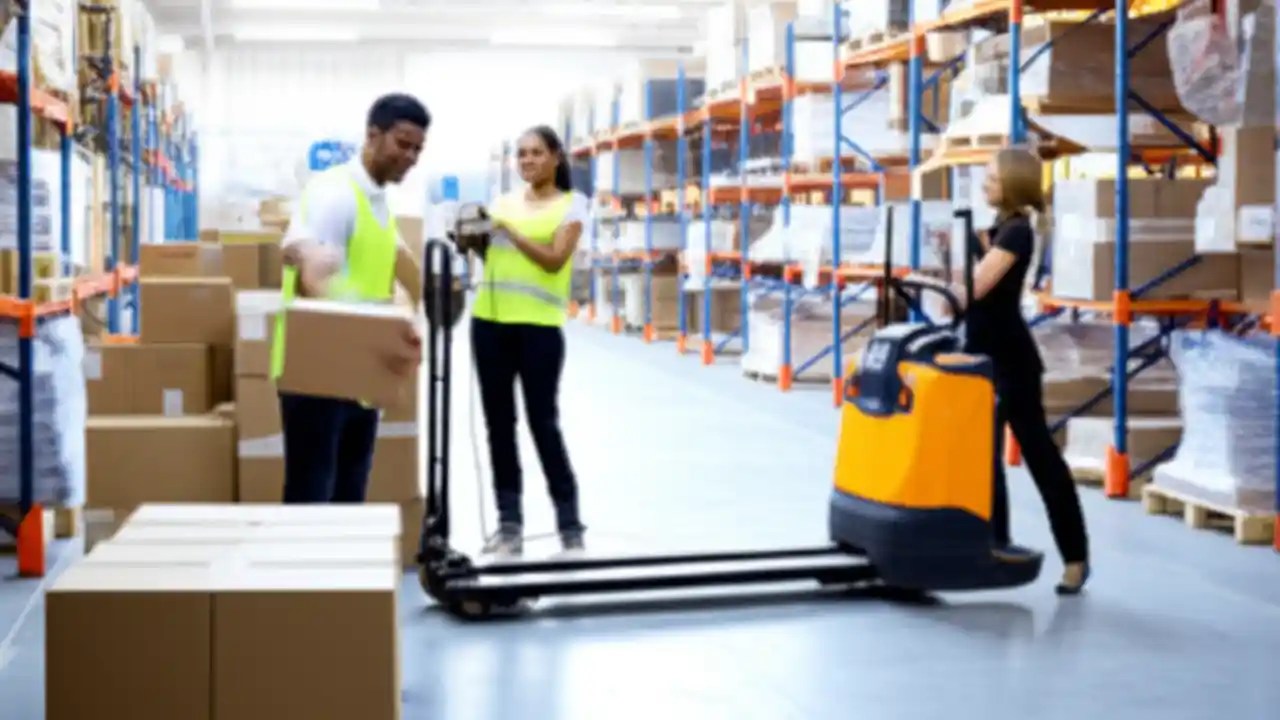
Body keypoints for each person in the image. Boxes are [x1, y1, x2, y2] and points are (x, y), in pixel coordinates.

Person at [944, 147, 1091, 595]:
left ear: (1012, 182)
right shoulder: (1000, 230)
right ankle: (994, 543)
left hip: (1010, 363)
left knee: (1039, 457)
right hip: (984, 358)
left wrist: (958, 255)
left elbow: (970, 290)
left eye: (991, 177)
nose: (985, 183)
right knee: (981, 455)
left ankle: (1074, 557)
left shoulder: (1017, 233)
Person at [273, 93, 430, 504]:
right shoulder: (335, 193)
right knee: (314, 502)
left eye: (418, 148)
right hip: (319, 374)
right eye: (402, 143)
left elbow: (397, 265)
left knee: (349, 499)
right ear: (372, 136)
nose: (411, 156)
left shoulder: (377, 202)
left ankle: (342, 571)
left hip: (356, 372)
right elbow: (312, 277)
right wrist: (309, 261)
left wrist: (415, 313)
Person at [471, 125, 589, 558]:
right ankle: (509, 527)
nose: (527, 161)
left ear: (556, 157)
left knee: (543, 424)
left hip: (538, 330)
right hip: (489, 323)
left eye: (536, 153)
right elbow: (492, 256)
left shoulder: (572, 205)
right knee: (499, 427)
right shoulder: (502, 204)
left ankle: (570, 529)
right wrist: (475, 239)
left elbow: (556, 261)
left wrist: (512, 234)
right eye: (521, 155)